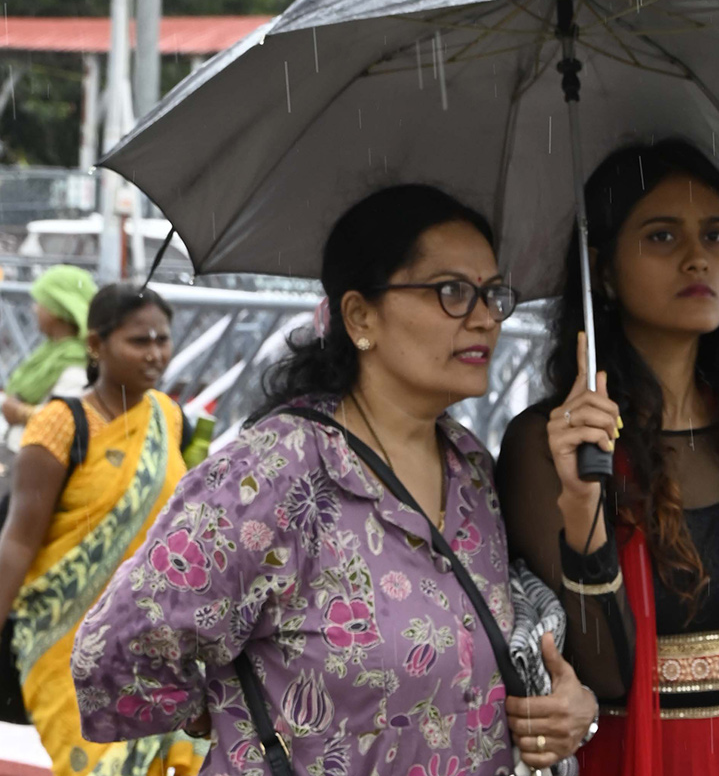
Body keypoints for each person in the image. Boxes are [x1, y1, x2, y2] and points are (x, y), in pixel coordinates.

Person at [71, 186, 598, 775]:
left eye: (494, 295)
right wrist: (221, 710)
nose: (484, 319)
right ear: (359, 316)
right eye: (451, 292)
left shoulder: (470, 467)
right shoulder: (275, 472)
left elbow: (497, 651)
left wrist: (570, 707)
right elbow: (115, 654)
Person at [497, 141, 719, 776]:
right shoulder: (549, 442)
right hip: (630, 757)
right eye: (662, 236)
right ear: (602, 271)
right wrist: (583, 499)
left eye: (716, 235)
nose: (699, 257)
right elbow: (603, 671)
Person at [0, 284, 205, 776]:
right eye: (139, 341)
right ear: (96, 345)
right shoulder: (59, 426)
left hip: (155, 644)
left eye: (163, 339)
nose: (156, 353)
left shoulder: (169, 417)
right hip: (65, 645)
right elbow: (15, 541)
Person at [0, 267, 97, 507]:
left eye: (41, 303)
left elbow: (70, 420)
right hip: (26, 467)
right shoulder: (50, 354)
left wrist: (19, 412)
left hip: (39, 478)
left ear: (59, 309)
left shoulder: (74, 364)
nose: (34, 309)